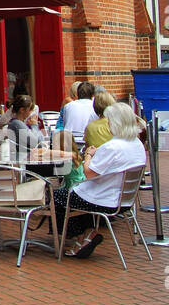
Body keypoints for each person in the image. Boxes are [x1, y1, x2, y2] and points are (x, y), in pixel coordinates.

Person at [56, 102, 148, 257]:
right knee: (74, 195)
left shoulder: (113, 147)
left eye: (110, 121)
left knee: (56, 197)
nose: (108, 124)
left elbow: (88, 173)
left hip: (105, 199)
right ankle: (87, 233)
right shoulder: (137, 143)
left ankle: (81, 236)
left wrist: (89, 156)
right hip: (124, 200)